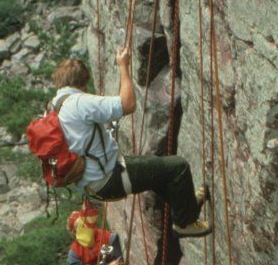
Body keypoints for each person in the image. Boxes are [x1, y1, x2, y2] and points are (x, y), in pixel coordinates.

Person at [51, 53, 211, 238]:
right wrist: (123, 66)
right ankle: (185, 223)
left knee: (157, 171)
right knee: (178, 167)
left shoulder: (54, 106)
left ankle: (187, 204)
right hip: (109, 179)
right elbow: (128, 104)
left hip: (90, 184)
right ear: (82, 82)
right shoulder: (78, 102)